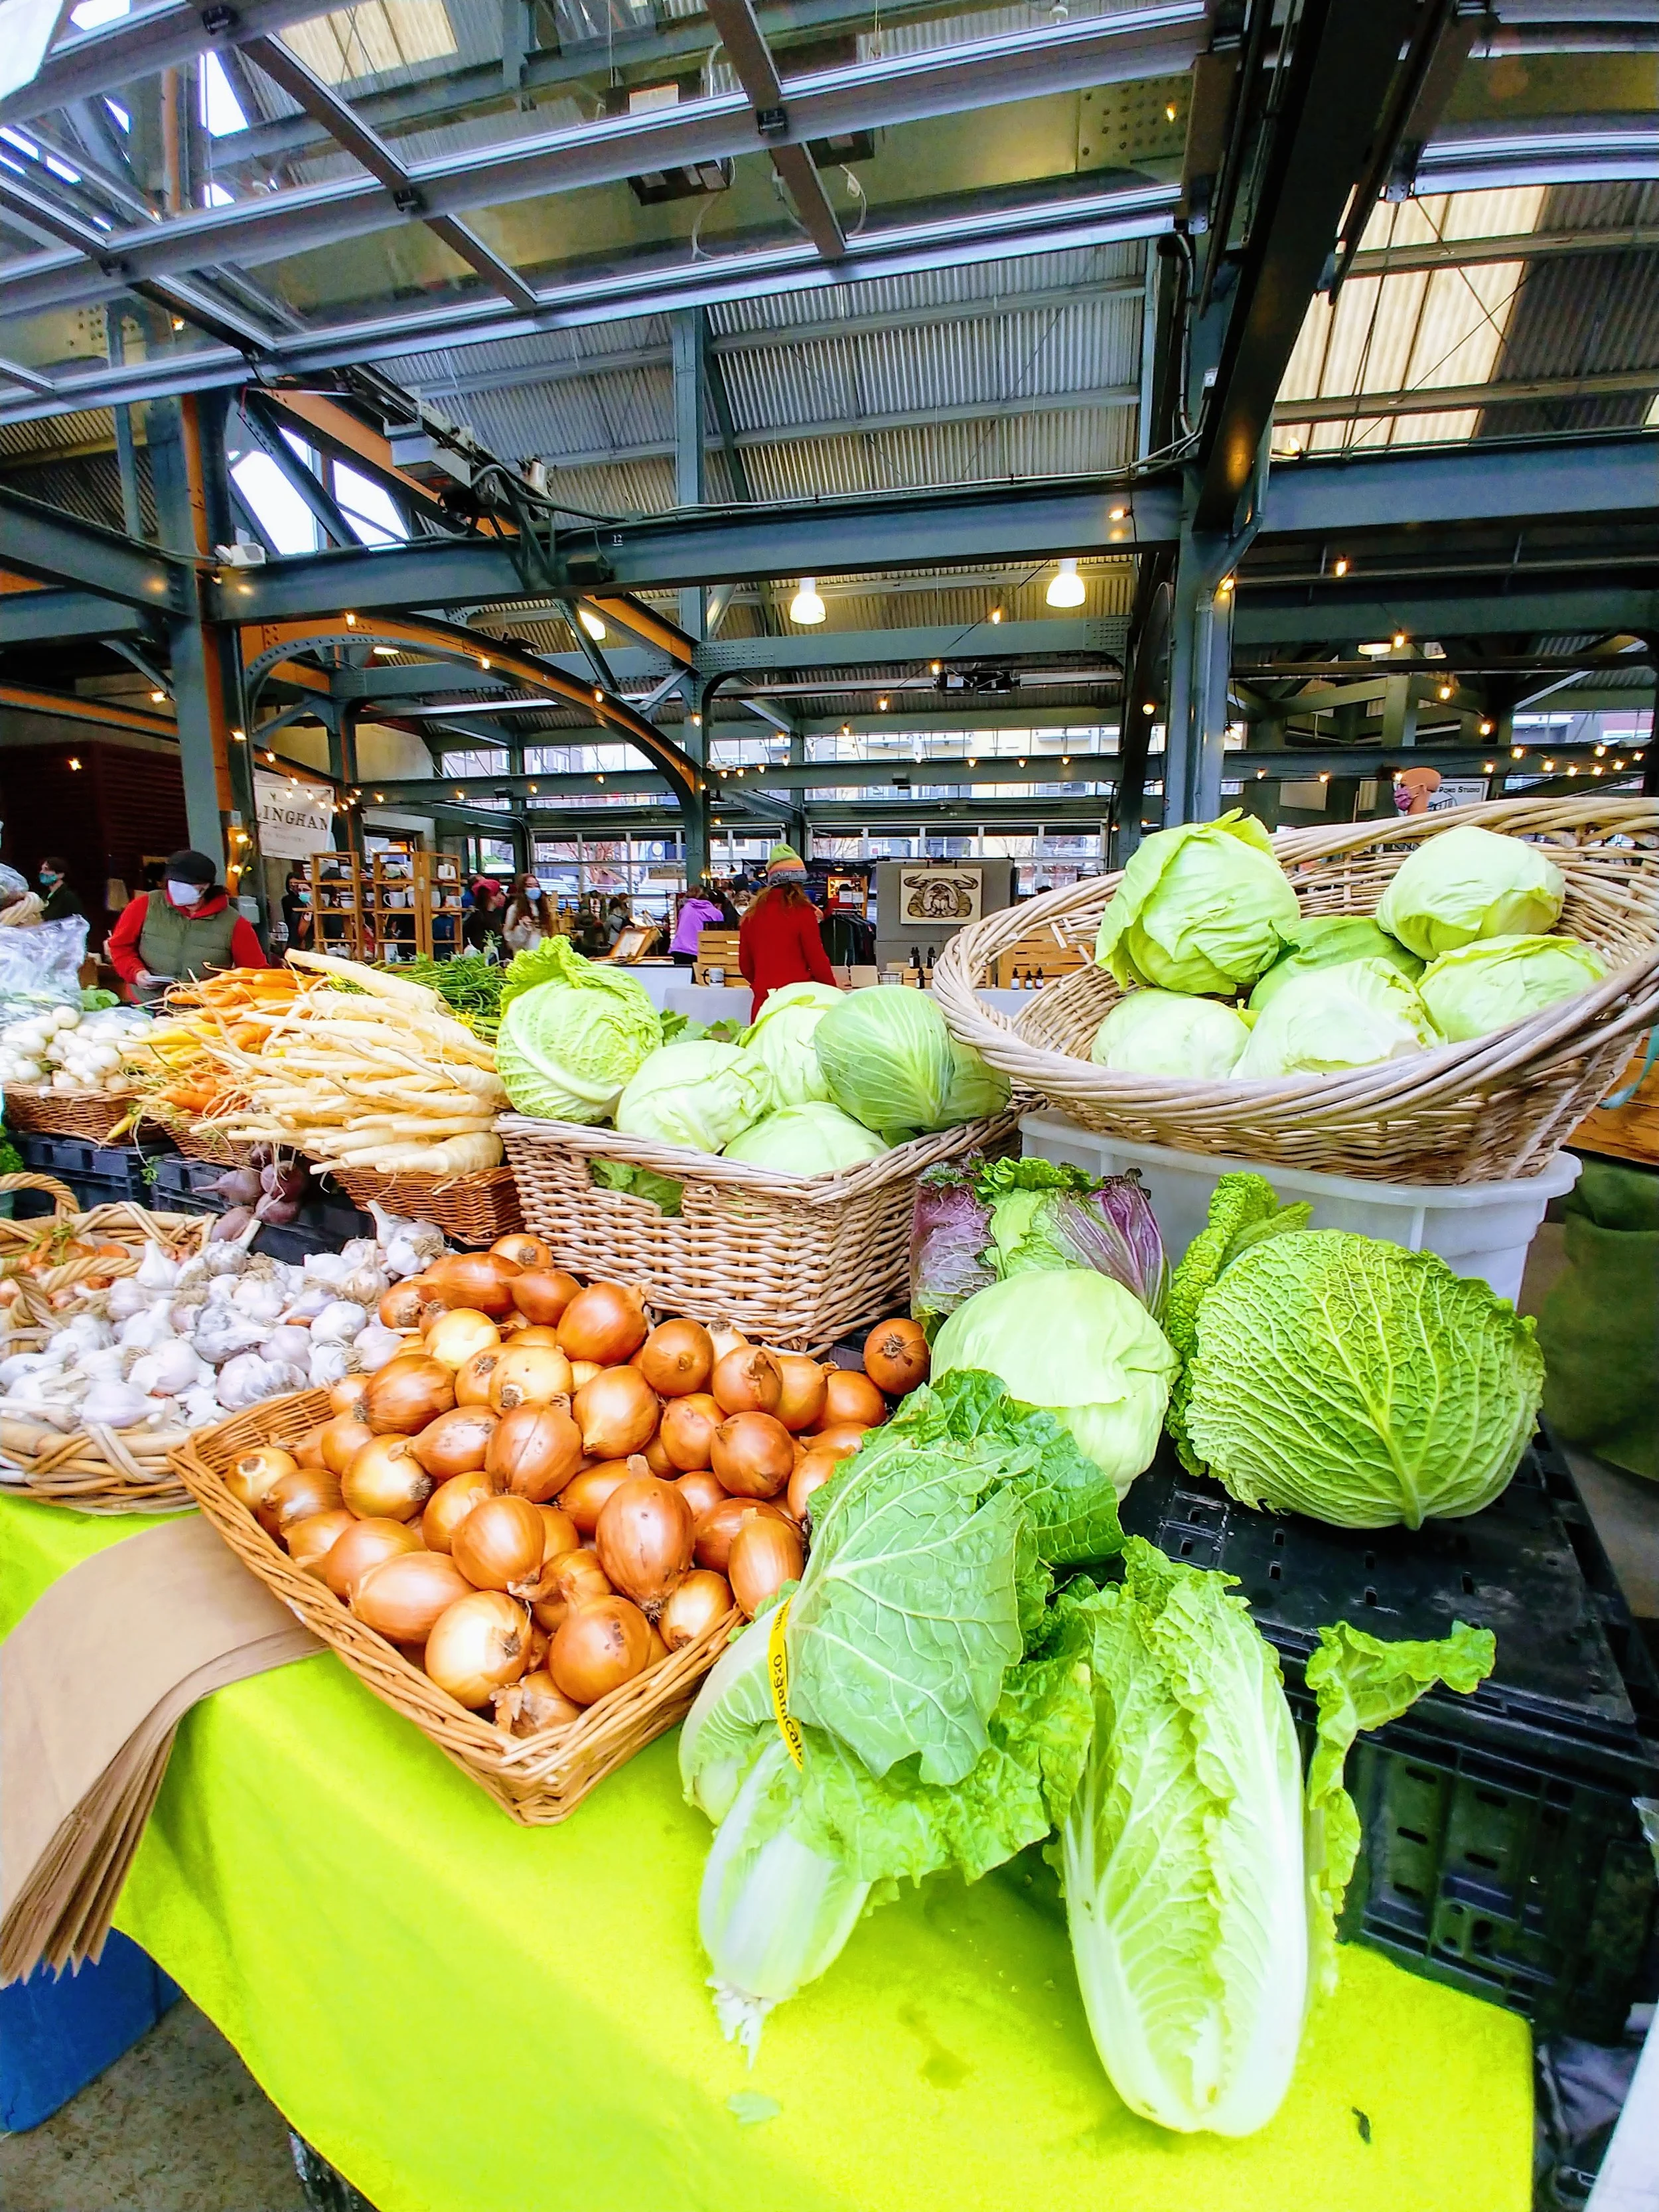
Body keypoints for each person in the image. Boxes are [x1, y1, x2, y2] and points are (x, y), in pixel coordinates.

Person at [108, 849, 266, 1001]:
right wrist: (136, 973)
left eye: (185, 885)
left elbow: (256, 974)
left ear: (204, 887)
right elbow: (120, 946)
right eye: (173, 883)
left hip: (203, 1012)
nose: (176, 889)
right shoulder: (145, 904)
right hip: (146, 1004)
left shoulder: (234, 923)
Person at [737, 844, 840, 1019]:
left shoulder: (750, 915)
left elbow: (745, 965)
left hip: (764, 1003)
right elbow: (817, 959)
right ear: (799, 883)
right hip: (797, 1003)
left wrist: (763, 983)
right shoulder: (803, 913)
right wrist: (832, 990)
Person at [669, 883, 736, 967]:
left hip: (679, 949)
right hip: (700, 952)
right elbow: (718, 936)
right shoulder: (716, 913)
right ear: (717, 904)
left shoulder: (686, 909)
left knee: (683, 979)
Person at [502, 872, 555, 956]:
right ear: (522, 889)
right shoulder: (514, 909)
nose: (534, 889)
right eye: (529, 886)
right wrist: (523, 928)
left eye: (536, 886)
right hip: (526, 958)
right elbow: (510, 939)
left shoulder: (542, 909)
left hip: (543, 957)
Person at [463, 879, 506, 954]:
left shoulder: (492, 915)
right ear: (492, 896)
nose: (502, 897)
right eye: (500, 893)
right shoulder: (478, 918)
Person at [36, 858, 84, 924]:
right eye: (42, 869)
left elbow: (80, 922)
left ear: (61, 874)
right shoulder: (44, 895)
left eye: (46, 869)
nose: (42, 872)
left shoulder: (68, 897)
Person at [280, 867, 313, 953]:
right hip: (294, 930)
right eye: (291, 884)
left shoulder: (309, 899)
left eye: (296, 883)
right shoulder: (287, 900)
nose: (293, 886)